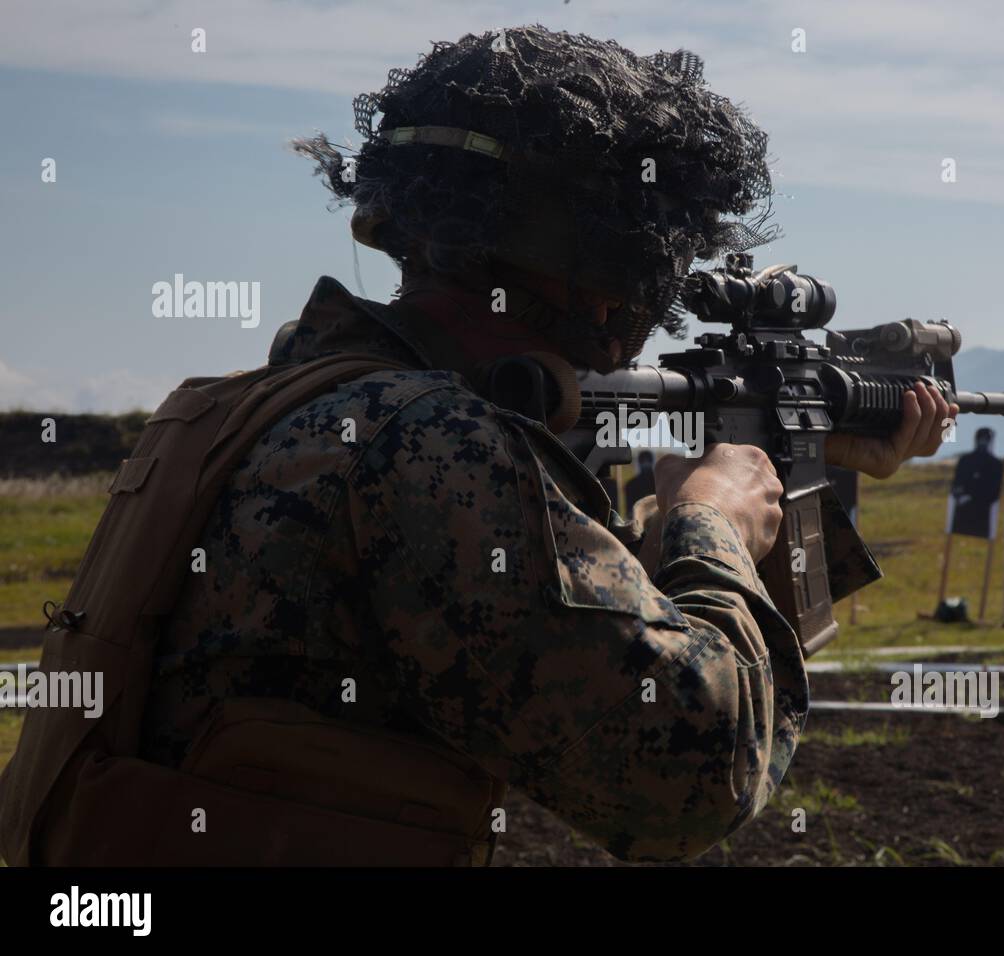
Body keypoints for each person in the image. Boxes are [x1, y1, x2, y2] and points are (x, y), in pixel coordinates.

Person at [3, 26, 955, 866]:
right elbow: (687, 779)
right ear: (605, 257)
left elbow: (529, 611)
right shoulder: (431, 446)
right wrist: (707, 525)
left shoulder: (248, 408)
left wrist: (798, 485)